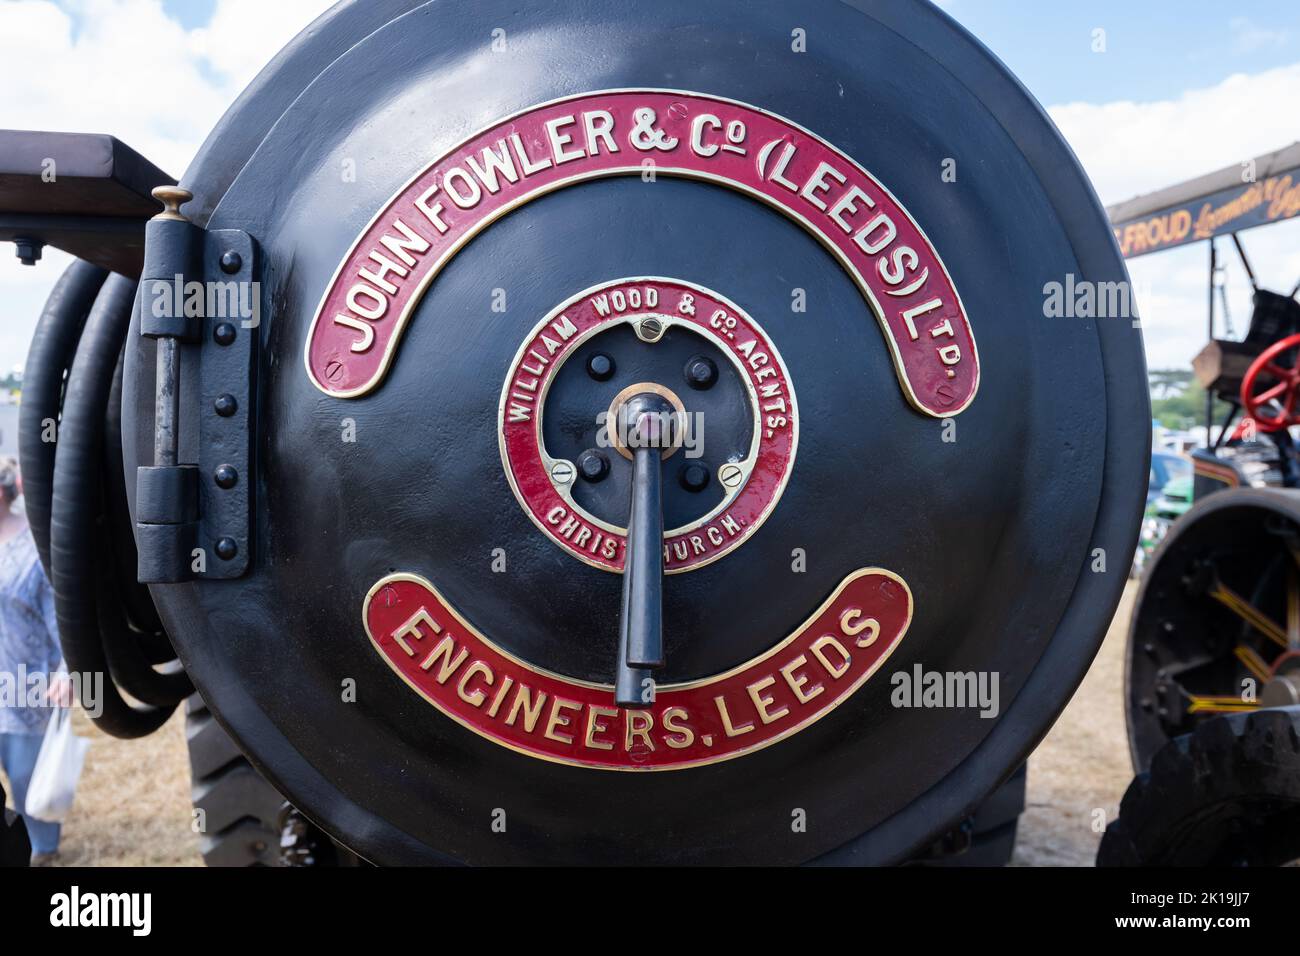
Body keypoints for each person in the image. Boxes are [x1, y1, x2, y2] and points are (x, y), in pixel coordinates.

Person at [0, 458, 71, 864]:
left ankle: (42, 850)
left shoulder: (32, 551)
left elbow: (62, 621)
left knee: (30, 782)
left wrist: (67, 672)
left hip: (27, 693)